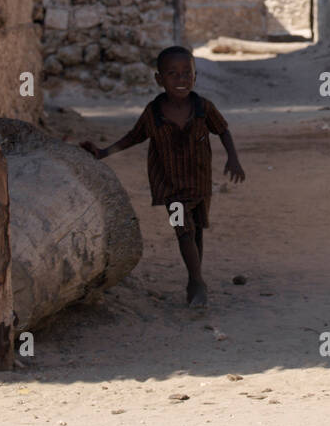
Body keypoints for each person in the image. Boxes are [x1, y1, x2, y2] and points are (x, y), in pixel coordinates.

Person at [82, 46, 244, 306]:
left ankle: (194, 279)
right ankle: (198, 283)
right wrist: (103, 152)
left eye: (187, 73)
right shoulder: (153, 113)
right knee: (183, 231)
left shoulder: (203, 108)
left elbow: (223, 130)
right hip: (170, 186)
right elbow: (133, 137)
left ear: (195, 76)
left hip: (199, 183)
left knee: (197, 230)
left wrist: (233, 158)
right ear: (159, 79)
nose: (181, 80)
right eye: (173, 74)